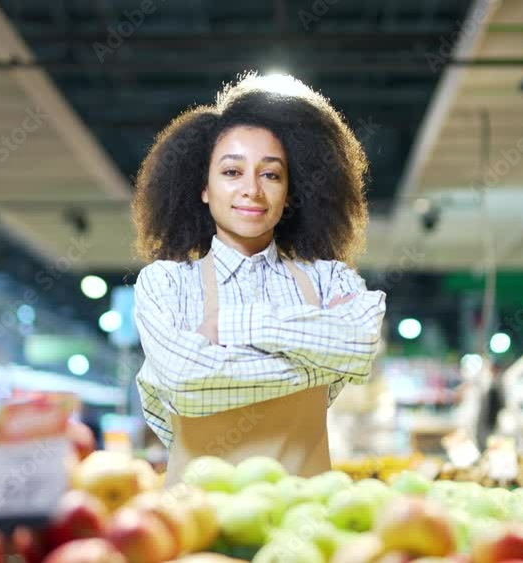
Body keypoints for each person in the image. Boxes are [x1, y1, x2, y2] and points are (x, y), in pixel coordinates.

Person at [130, 73, 387, 484]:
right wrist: (319, 357)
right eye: (232, 172)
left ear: (289, 192)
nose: (252, 189)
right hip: (195, 525)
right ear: (203, 187)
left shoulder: (328, 278)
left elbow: (360, 350)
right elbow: (186, 382)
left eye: (271, 175)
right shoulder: (165, 283)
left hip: (306, 523)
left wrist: (235, 326)